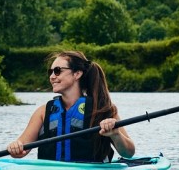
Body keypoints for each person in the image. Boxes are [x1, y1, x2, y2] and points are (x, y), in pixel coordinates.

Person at [7, 50, 135, 162]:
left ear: (77, 74)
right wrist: (15, 147)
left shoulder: (103, 109)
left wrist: (115, 134)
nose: (52, 77)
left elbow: (128, 153)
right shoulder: (43, 112)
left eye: (57, 71)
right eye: (50, 72)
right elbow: (21, 149)